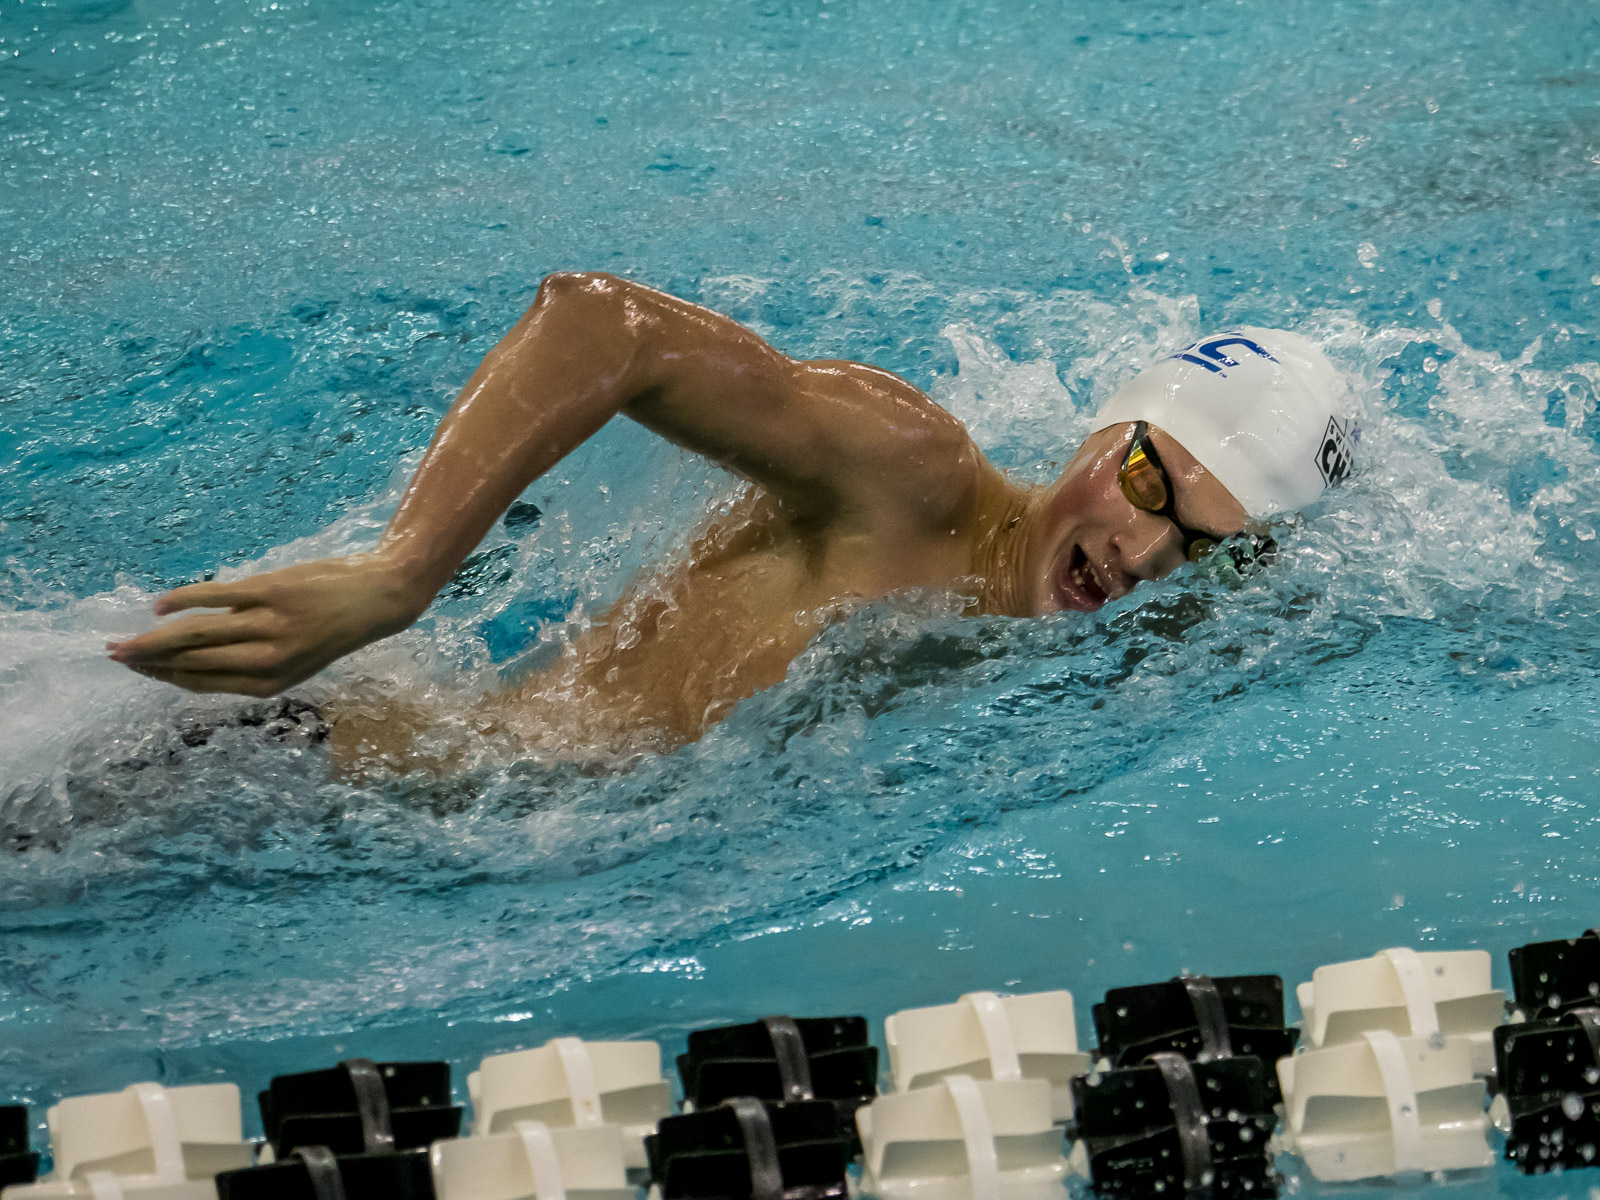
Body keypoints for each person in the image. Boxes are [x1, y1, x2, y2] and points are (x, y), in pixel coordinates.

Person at [106, 273, 1356, 768]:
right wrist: (402, 576)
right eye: (1149, 486)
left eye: (1207, 544)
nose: (1143, 554)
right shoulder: (913, 472)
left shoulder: (1121, 642)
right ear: (1102, 430)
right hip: (288, 763)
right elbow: (605, 324)